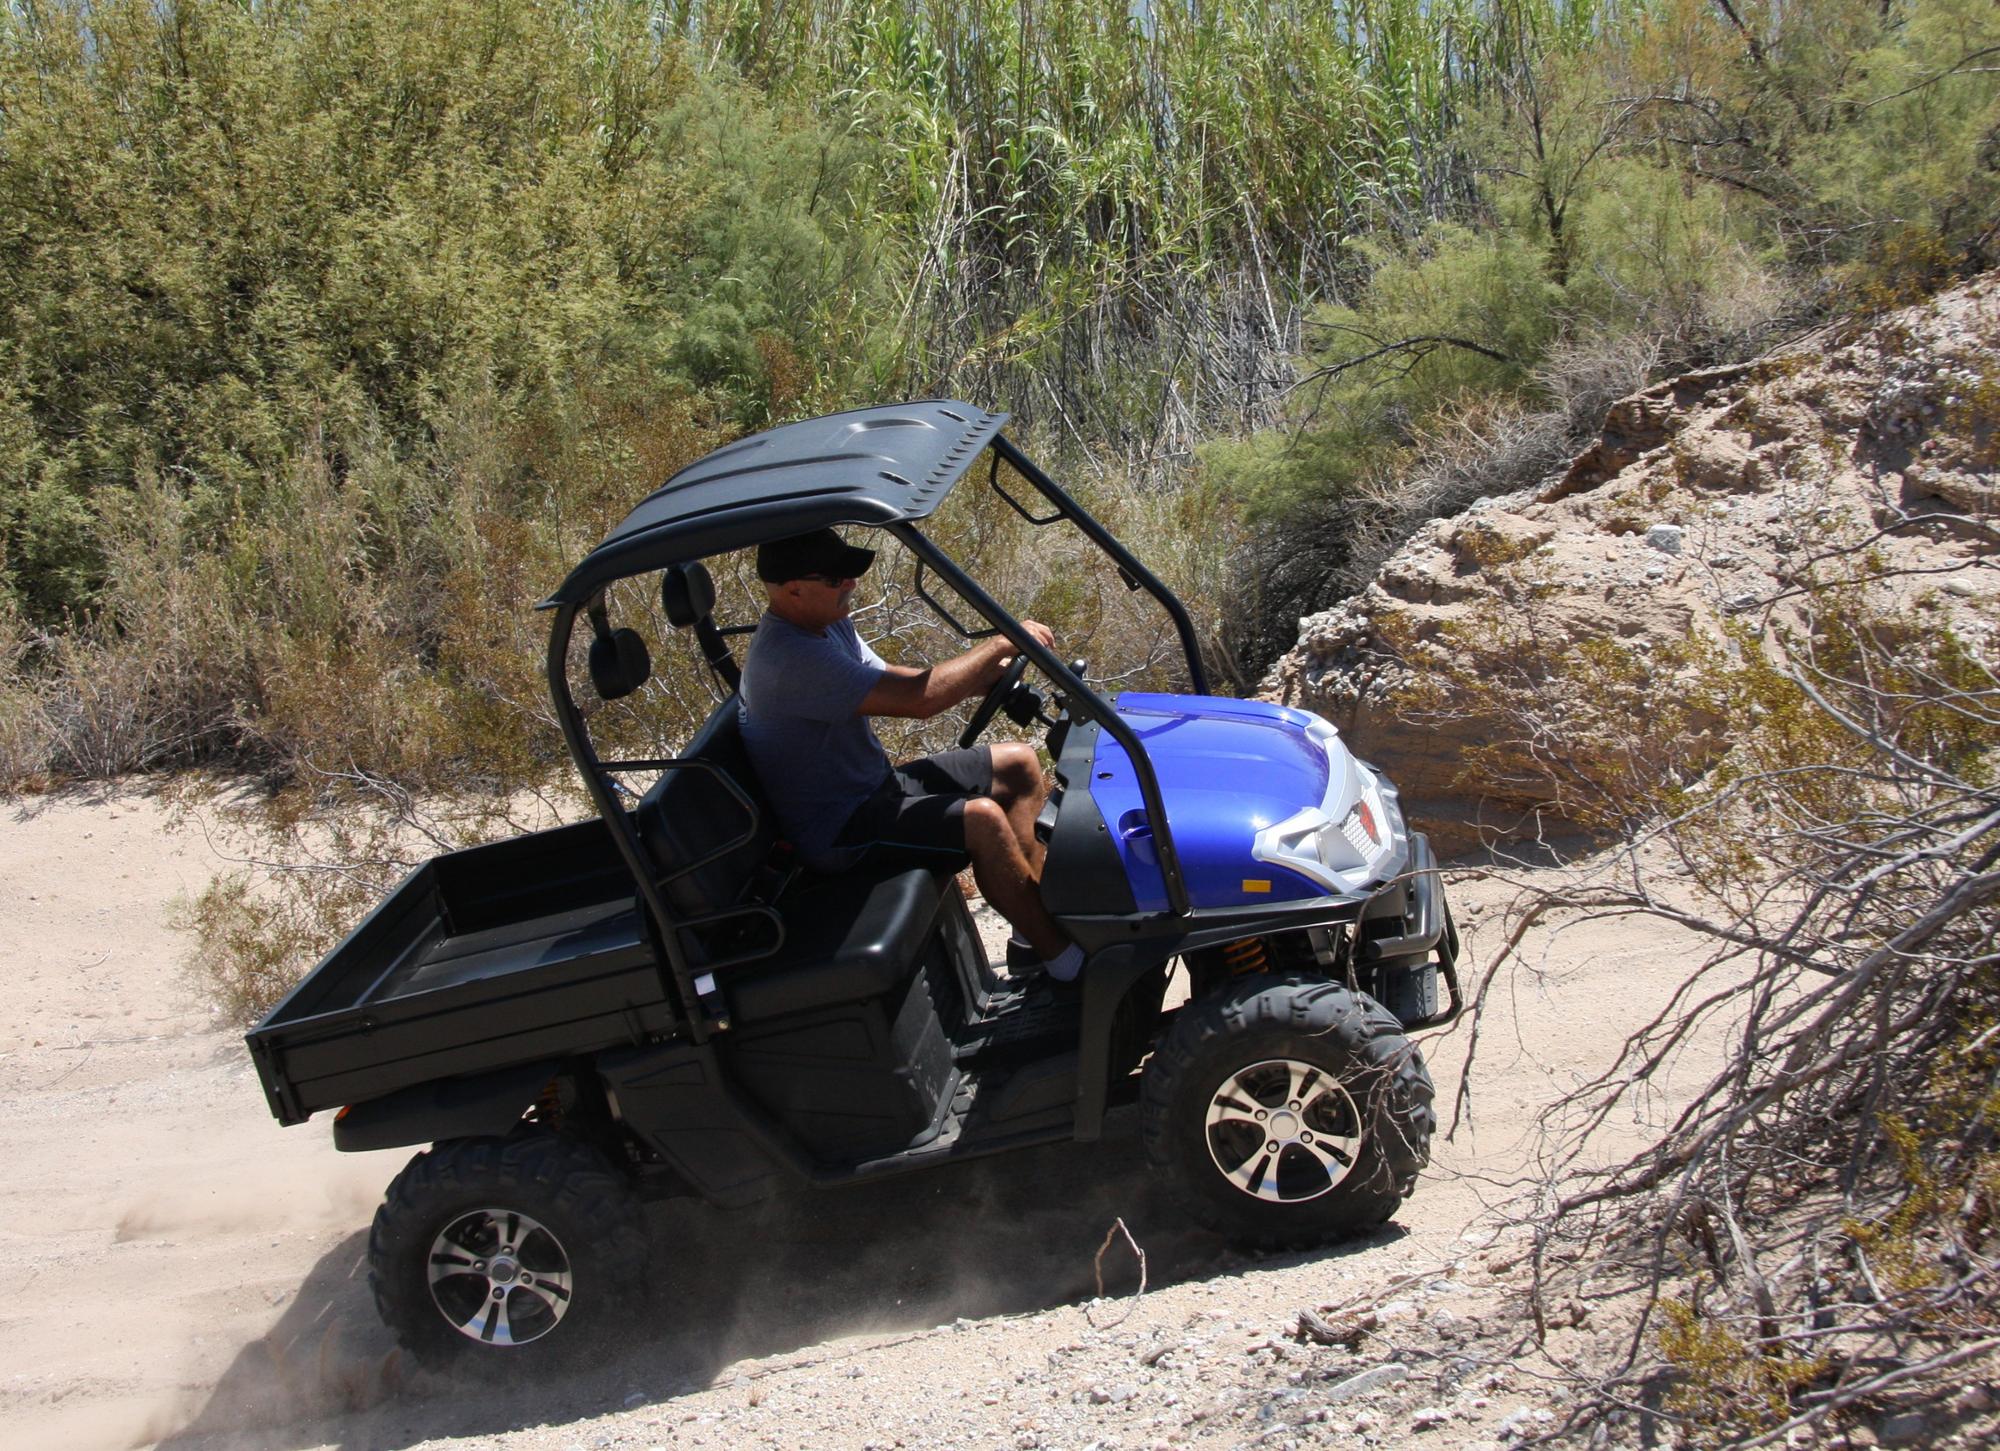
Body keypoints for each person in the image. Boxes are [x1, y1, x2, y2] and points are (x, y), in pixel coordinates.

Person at [738, 527, 1084, 982]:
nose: (851, 585)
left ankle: (1031, 938)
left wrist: (980, 680)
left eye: (850, 575)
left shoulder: (825, 623)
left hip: (875, 790)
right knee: (980, 819)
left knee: (1018, 763)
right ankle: (1069, 965)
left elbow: (885, 678)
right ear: (793, 590)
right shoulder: (787, 659)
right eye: (836, 579)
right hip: (839, 829)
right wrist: (1002, 642)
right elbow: (917, 701)